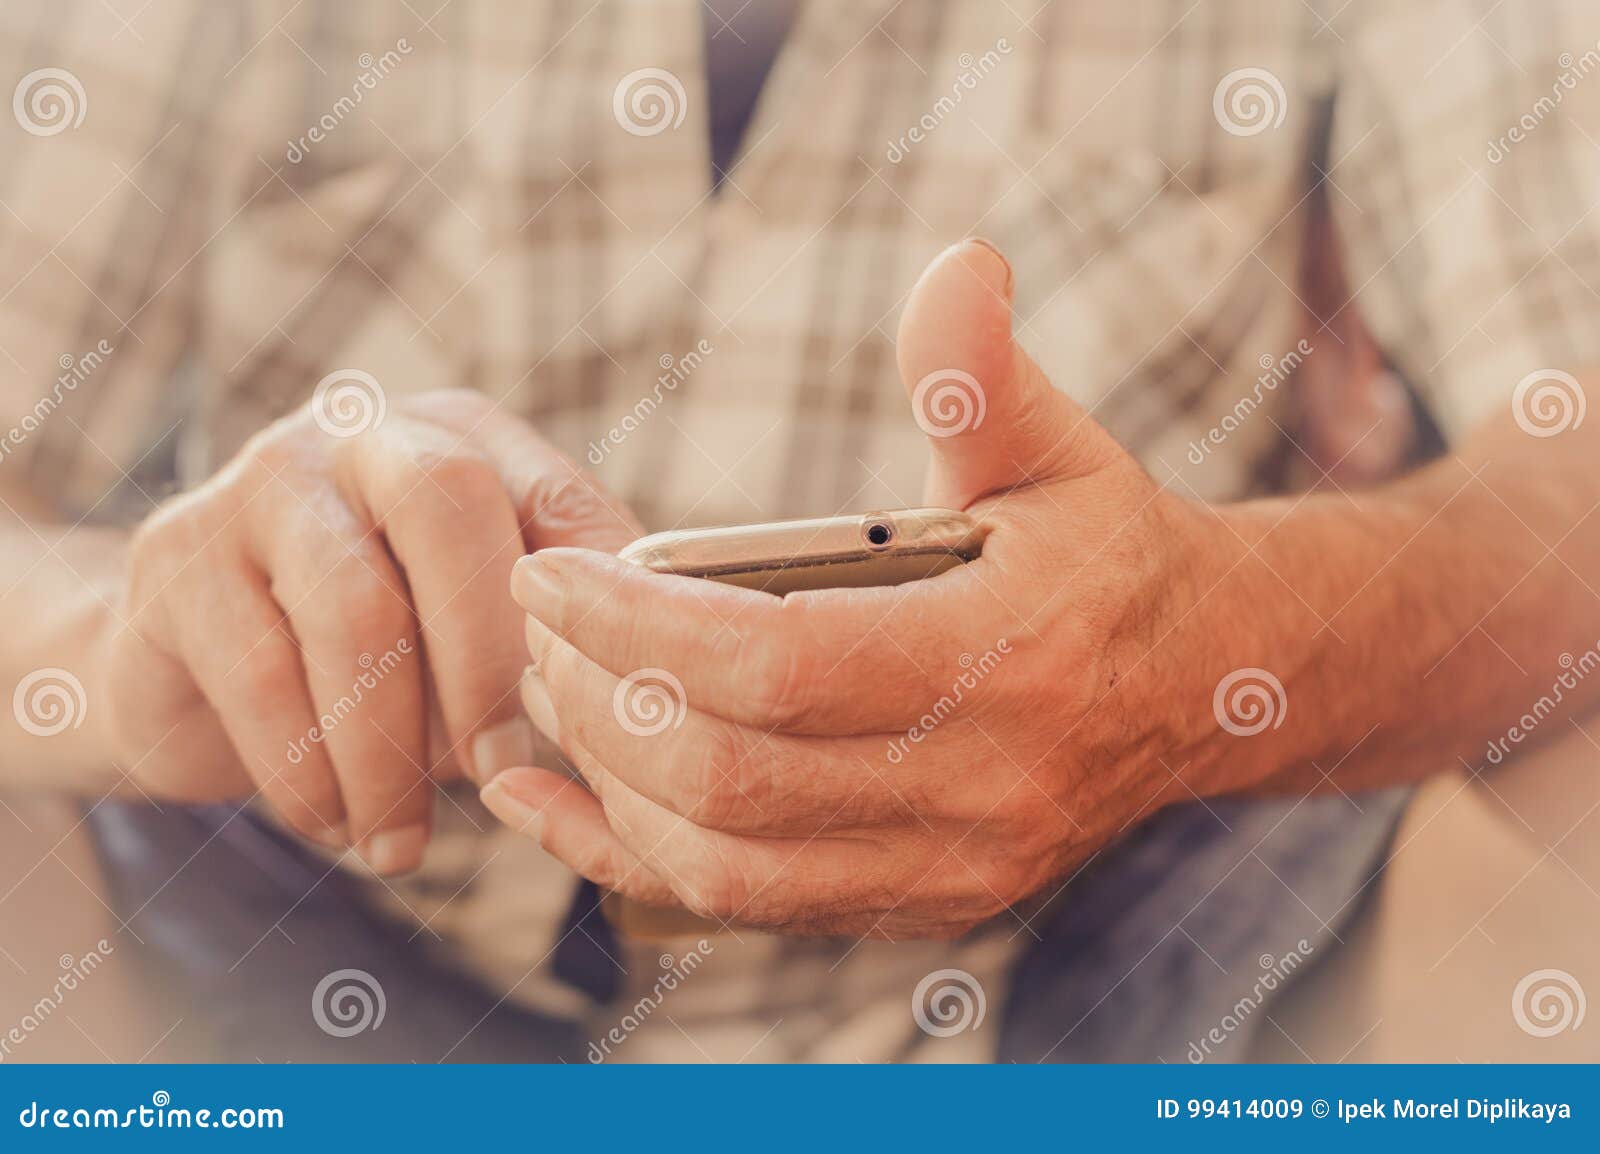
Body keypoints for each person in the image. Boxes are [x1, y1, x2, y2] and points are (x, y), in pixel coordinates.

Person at [1, 0, 1597, 1063]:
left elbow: (1576, 470)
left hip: (1115, 977)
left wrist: (1201, 647)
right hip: (303, 950)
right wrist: (126, 641)